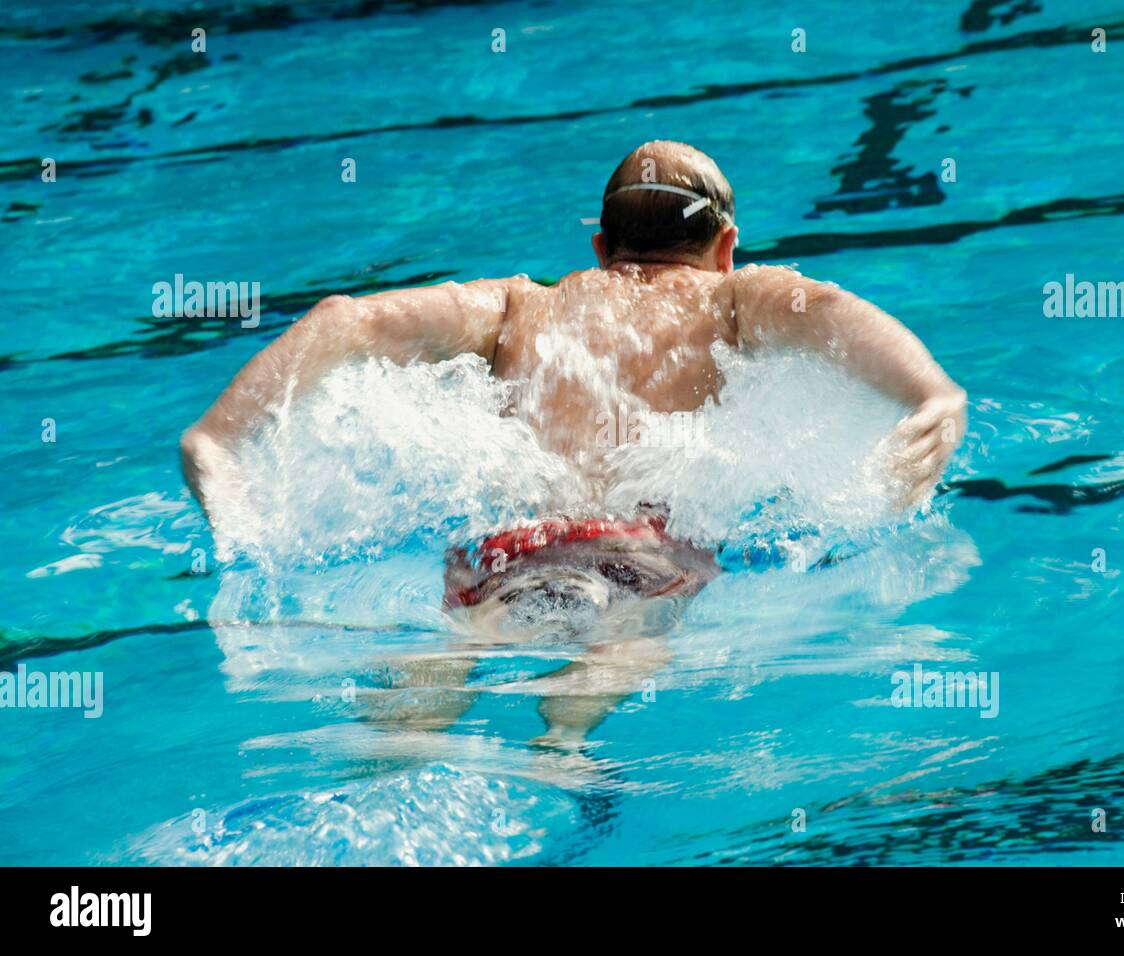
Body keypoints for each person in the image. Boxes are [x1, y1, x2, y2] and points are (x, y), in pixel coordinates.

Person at [181, 140, 966, 752]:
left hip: (510, 549)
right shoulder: (733, 296)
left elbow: (349, 319)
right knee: (624, 640)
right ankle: (562, 739)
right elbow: (824, 306)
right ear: (727, 246)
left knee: (457, 648)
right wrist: (936, 394)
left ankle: (396, 746)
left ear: (600, 246)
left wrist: (217, 437)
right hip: (639, 551)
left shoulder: (518, 306)